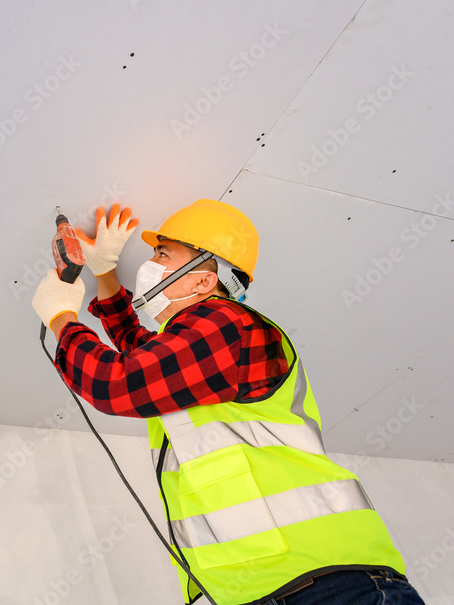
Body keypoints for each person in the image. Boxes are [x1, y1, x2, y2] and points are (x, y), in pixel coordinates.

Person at [31, 199, 424, 605]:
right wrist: (104, 272)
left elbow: (118, 383)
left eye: (162, 254)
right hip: (275, 588)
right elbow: (141, 351)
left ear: (203, 281)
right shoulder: (202, 349)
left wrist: (62, 318)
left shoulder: (226, 323)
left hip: (327, 586)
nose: (150, 264)